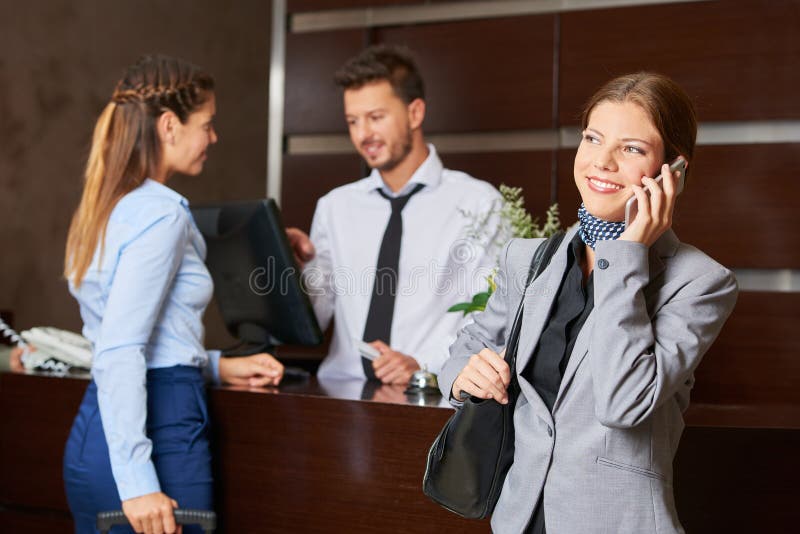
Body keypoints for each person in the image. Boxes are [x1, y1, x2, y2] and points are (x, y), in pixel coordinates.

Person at [439, 72, 738, 533]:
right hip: (517, 518)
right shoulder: (531, 259)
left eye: (632, 149)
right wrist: (462, 374)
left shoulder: (700, 283)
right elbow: (471, 342)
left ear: (673, 171)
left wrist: (629, 254)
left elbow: (624, 403)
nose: (602, 162)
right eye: (593, 138)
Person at [59, 55, 285, 534]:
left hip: (97, 433)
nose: (213, 138)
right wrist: (139, 482)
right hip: (155, 436)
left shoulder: (108, 206)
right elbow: (122, 347)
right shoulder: (162, 214)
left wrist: (218, 365)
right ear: (169, 125)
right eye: (207, 124)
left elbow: (132, 335)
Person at [302, 44, 502, 385]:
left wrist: (424, 364)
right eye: (353, 121)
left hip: (428, 398)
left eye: (376, 117)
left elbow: (494, 314)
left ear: (415, 113)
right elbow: (313, 320)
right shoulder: (334, 206)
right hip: (339, 393)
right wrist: (294, 266)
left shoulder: (479, 203)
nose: (363, 135)